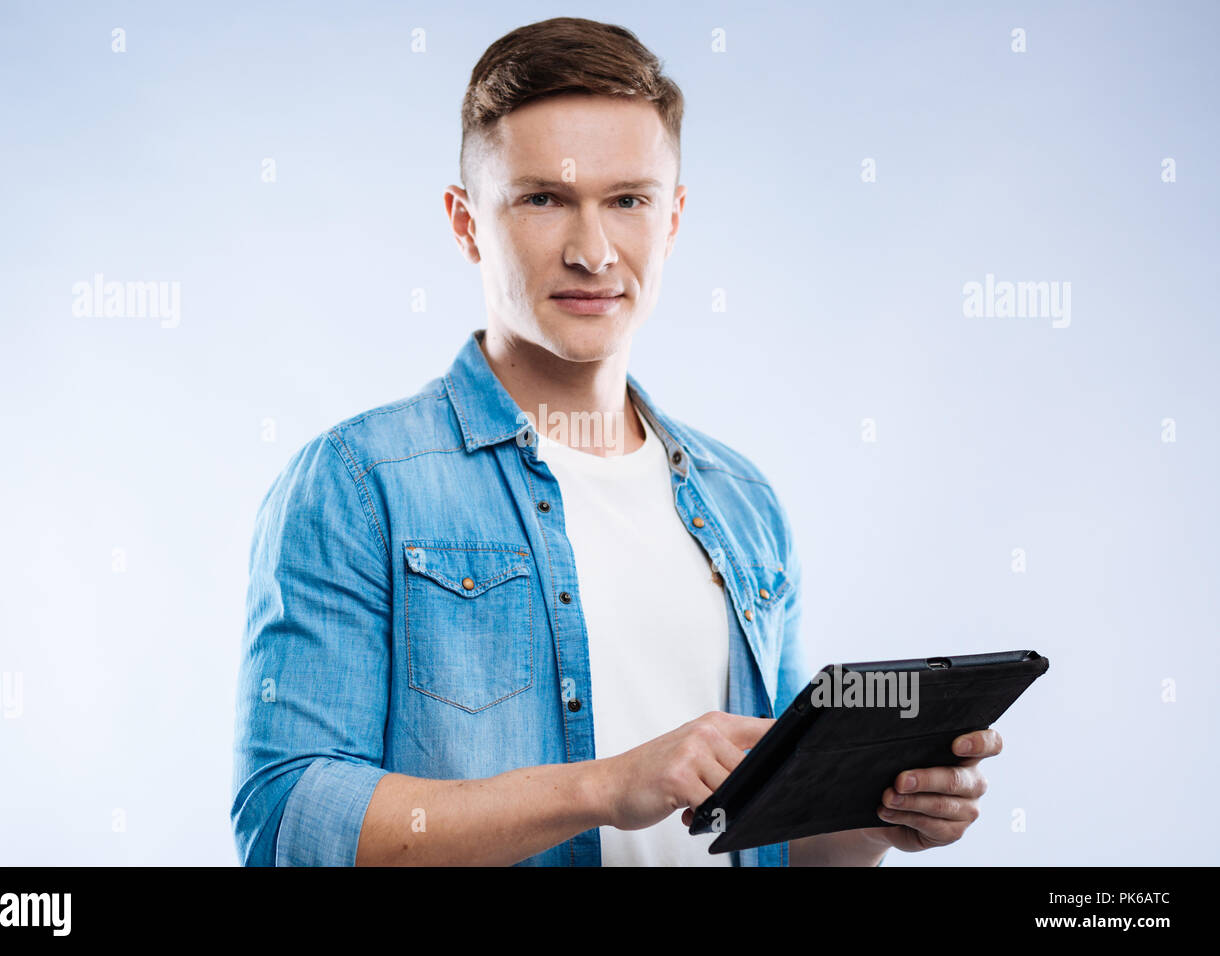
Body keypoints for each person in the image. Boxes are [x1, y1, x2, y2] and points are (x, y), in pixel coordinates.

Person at [231, 16, 1001, 866]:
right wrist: (605, 788)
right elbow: (285, 822)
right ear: (464, 223)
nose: (593, 252)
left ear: (671, 219)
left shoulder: (742, 503)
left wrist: (875, 817)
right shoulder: (357, 482)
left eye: (628, 200)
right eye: (543, 199)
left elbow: (775, 841)